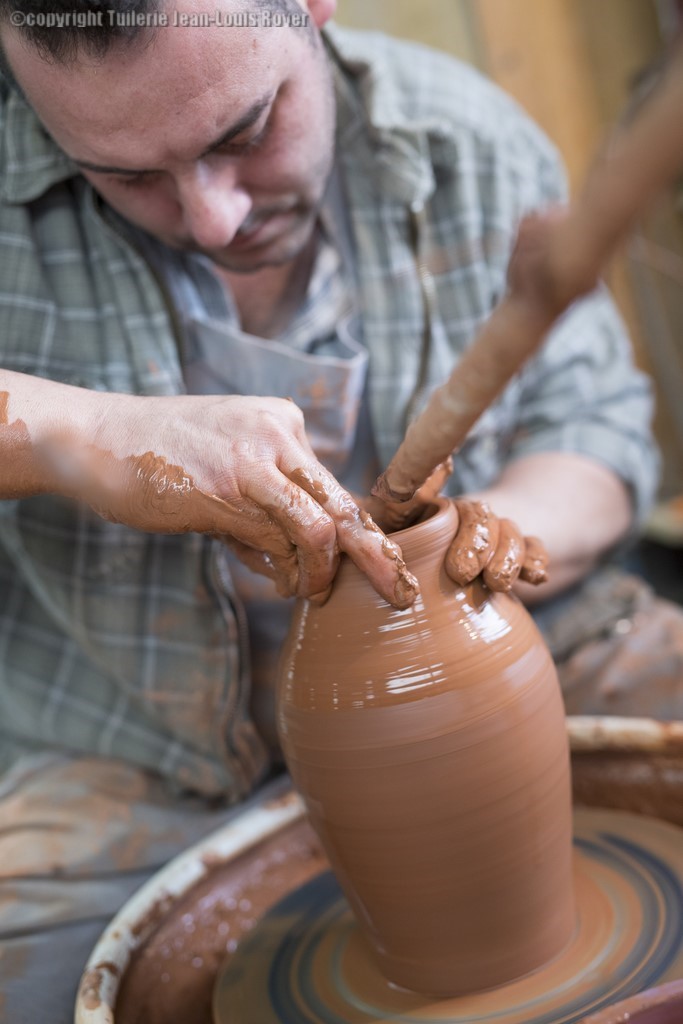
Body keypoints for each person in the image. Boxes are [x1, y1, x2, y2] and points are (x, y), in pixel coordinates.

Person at [0, 0, 672, 1019]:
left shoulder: (462, 138)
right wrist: (74, 434)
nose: (214, 214)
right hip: (132, 742)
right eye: (127, 172)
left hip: (526, 643)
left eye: (244, 131)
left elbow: (593, 424)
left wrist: (510, 522)